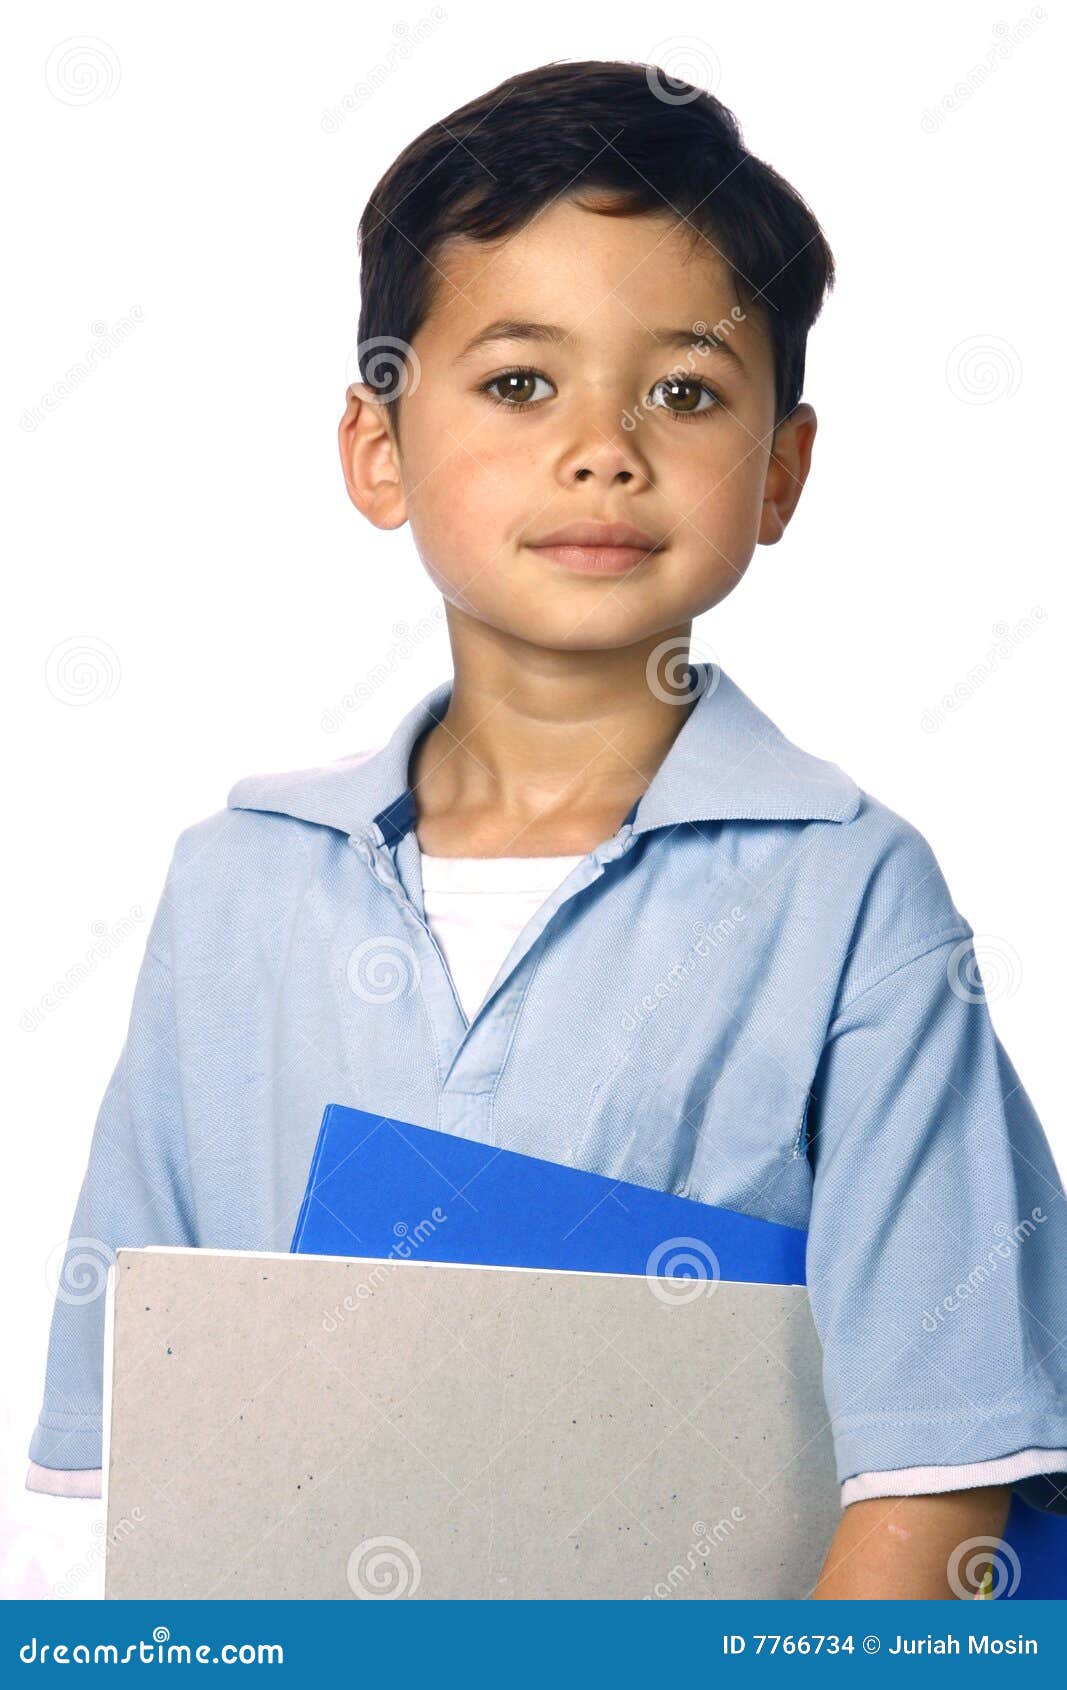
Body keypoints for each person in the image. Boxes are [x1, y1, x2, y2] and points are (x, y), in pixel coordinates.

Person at [28, 59, 1067, 1599]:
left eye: (688, 389)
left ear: (782, 468)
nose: (606, 448)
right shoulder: (235, 890)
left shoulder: (851, 891)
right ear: (376, 446)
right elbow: (134, 1459)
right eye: (521, 382)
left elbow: (942, 1471)